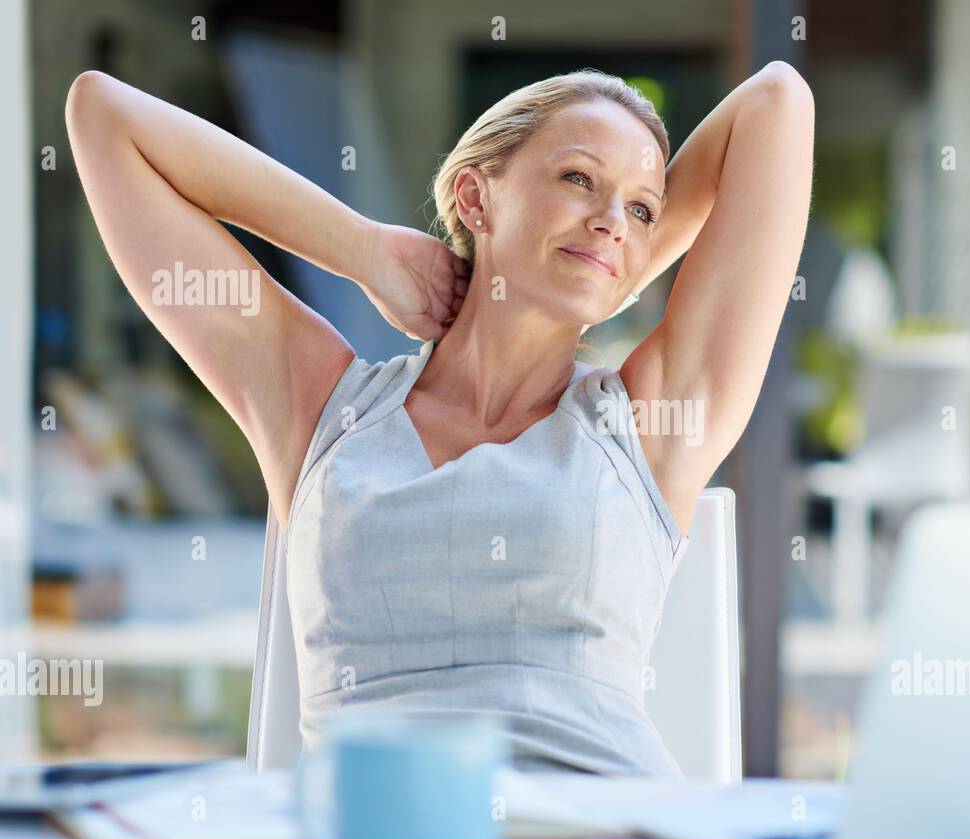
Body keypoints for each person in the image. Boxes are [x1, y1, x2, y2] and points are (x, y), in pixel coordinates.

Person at [65, 62, 815, 776]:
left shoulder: (650, 423)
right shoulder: (320, 407)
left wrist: (607, 269)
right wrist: (362, 250)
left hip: (598, 821)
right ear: (475, 199)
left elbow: (777, 101)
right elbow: (105, 117)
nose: (614, 220)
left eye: (643, 208)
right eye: (578, 179)